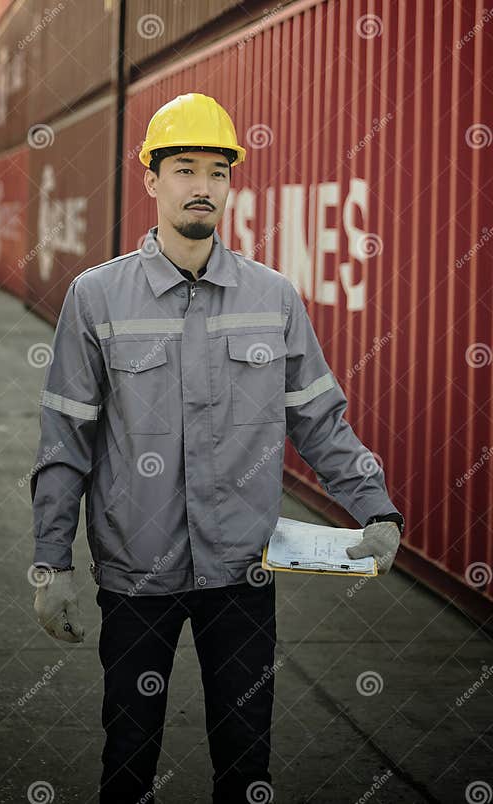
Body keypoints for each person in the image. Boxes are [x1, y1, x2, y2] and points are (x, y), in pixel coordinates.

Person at [29, 92, 405, 804]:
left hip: (242, 573)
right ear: (151, 180)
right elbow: (65, 439)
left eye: (217, 171)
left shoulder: (272, 297)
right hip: (136, 576)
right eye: (183, 168)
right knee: (129, 761)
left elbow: (321, 420)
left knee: (246, 765)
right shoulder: (97, 297)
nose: (202, 185)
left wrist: (377, 509)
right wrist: (51, 563)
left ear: (230, 183)